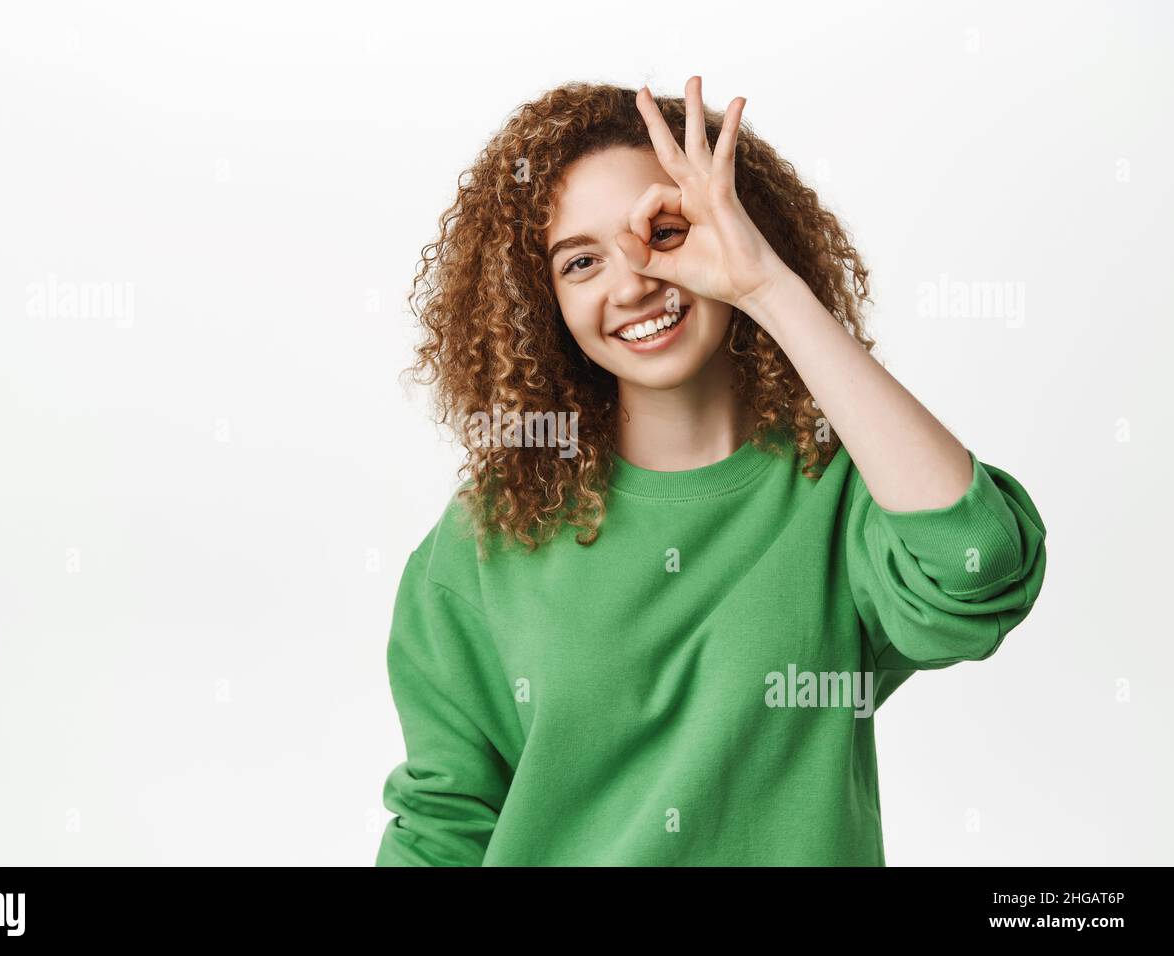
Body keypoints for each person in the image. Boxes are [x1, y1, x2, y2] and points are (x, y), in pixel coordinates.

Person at [374, 76, 1048, 866]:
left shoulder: (844, 491)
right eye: (580, 262)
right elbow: (445, 824)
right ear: (541, 302)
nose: (631, 284)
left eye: (664, 232)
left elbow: (980, 568)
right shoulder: (487, 539)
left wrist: (767, 287)